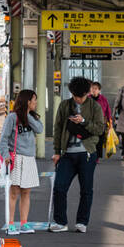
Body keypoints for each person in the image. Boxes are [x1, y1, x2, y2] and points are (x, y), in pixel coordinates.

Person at [50, 75, 105, 232]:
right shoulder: (65, 106)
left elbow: (100, 129)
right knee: (60, 187)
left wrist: (83, 121)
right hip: (67, 154)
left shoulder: (95, 107)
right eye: (76, 96)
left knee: (86, 189)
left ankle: (82, 222)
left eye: (82, 96)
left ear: (87, 93)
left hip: (87, 153)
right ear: (71, 93)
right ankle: (61, 222)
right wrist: (56, 152)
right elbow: (58, 128)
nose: (79, 100)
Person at [0, 88, 42, 232]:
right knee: (14, 192)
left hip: (29, 158)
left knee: (26, 192)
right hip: (15, 158)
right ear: (28, 101)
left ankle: (24, 223)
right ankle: (10, 223)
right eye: (34, 100)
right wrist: (6, 156)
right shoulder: (12, 117)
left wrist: (27, 114)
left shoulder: (32, 117)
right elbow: (3, 139)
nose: (36, 102)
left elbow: (40, 129)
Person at [90, 79, 112, 160]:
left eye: (96, 89)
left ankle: (97, 157)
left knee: (99, 141)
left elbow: (108, 110)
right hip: (90, 122)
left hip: (101, 122)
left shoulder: (103, 99)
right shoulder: (88, 98)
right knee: (91, 139)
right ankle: (91, 155)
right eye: (92, 88)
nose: (93, 90)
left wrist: (110, 120)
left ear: (99, 90)